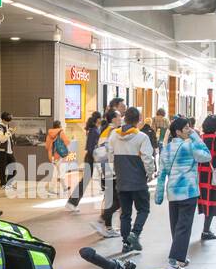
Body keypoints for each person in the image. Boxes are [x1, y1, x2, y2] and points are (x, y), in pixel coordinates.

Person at [155, 116, 212, 269]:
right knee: (183, 227)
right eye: (186, 128)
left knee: (176, 226)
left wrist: (159, 195)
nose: (190, 130)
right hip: (188, 192)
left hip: (173, 192)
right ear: (178, 132)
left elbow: (161, 174)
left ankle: (180, 257)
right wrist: (195, 136)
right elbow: (207, 155)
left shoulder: (166, 150)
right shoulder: (190, 146)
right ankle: (174, 261)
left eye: (189, 127)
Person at [108, 107, 156, 256]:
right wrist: (150, 173)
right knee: (143, 209)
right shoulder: (142, 137)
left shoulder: (113, 136)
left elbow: (110, 156)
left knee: (125, 213)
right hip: (138, 180)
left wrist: (116, 172)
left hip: (122, 180)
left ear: (124, 118)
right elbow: (147, 158)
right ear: (139, 120)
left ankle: (126, 244)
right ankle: (134, 234)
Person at [91, 107, 123, 238]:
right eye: (119, 116)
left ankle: (108, 227)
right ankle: (102, 220)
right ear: (114, 118)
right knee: (118, 200)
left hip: (104, 169)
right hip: (111, 169)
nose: (121, 118)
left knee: (111, 198)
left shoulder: (105, 131)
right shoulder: (114, 131)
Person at [66, 111, 102, 213]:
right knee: (85, 181)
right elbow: (91, 147)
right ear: (98, 119)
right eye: (101, 118)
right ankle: (72, 202)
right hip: (91, 157)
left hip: (91, 157)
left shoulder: (93, 130)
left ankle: (72, 202)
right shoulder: (94, 131)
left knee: (86, 180)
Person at [197, 115, 216, 241]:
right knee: (211, 201)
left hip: (201, 173)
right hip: (212, 173)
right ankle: (206, 230)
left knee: (204, 201)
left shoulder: (201, 138)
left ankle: (206, 229)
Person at [44, 120, 67, 196]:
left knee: (58, 171)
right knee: (57, 172)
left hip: (52, 156)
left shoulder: (49, 134)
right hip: (59, 155)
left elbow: (47, 147)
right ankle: (51, 189)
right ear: (60, 125)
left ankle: (64, 187)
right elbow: (67, 142)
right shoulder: (61, 132)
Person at [0, 112, 15, 188]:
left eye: (9, 121)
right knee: (3, 168)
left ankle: (9, 183)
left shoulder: (6, 125)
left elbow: (8, 137)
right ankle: (3, 184)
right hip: (2, 150)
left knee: (14, 167)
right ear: (2, 119)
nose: (8, 123)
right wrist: (9, 132)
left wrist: (10, 132)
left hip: (9, 150)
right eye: (7, 121)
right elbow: (2, 139)